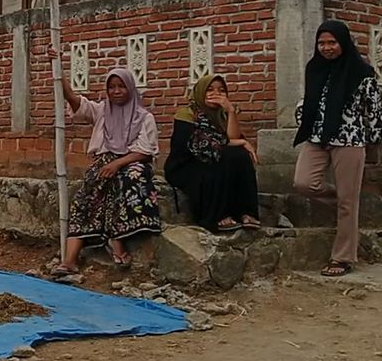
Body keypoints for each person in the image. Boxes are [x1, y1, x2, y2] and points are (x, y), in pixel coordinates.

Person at [50, 57, 162, 278]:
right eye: (112, 87)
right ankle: (70, 260)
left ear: (130, 88)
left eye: (121, 86)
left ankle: (117, 241)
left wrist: (117, 163)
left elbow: (145, 151)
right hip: (104, 161)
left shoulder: (144, 117)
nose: (116, 91)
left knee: (126, 181)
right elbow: (73, 99)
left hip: (133, 161)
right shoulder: (101, 111)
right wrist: (58, 69)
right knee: (86, 195)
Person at [292, 20, 382, 277]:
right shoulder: (314, 68)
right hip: (318, 137)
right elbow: (308, 100)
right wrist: (303, 118)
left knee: (347, 202)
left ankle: (342, 258)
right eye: (322, 43)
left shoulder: (362, 72)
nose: (326, 48)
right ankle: (347, 201)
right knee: (303, 183)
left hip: (350, 140)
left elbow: (373, 109)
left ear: (343, 42)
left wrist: (373, 138)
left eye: (332, 42)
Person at [165, 74, 261, 232]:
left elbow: (232, 138)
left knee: (239, 155)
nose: (215, 94)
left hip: (215, 158)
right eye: (209, 90)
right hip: (186, 164)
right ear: (200, 91)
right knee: (221, 159)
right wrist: (241, 142)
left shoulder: (222, 115)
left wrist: (231, 111)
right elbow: (200, 145)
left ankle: (246, 213)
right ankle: (217, 216)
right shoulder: (186, 114)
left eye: (221, 90)